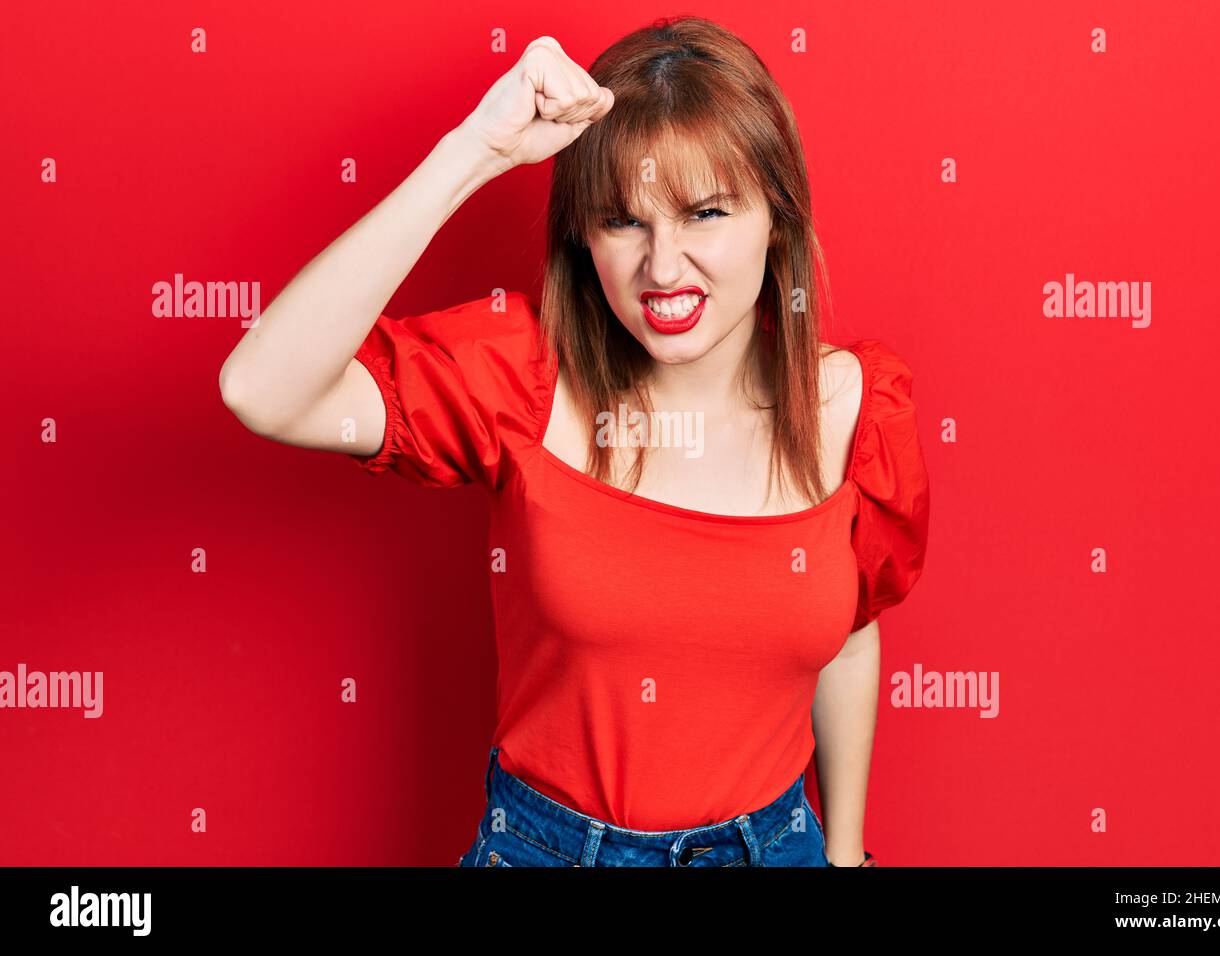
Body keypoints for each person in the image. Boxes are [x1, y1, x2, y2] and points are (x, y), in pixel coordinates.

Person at [219, 16, 929, 867]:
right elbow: (260, 388)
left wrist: (847, 856)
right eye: (624, 221)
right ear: (582, 235)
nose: (663, 268)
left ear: (776, 219)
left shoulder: (852, 403)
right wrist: (473, 151)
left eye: (704, 212)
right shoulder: (519, 378)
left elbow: (849, 635)